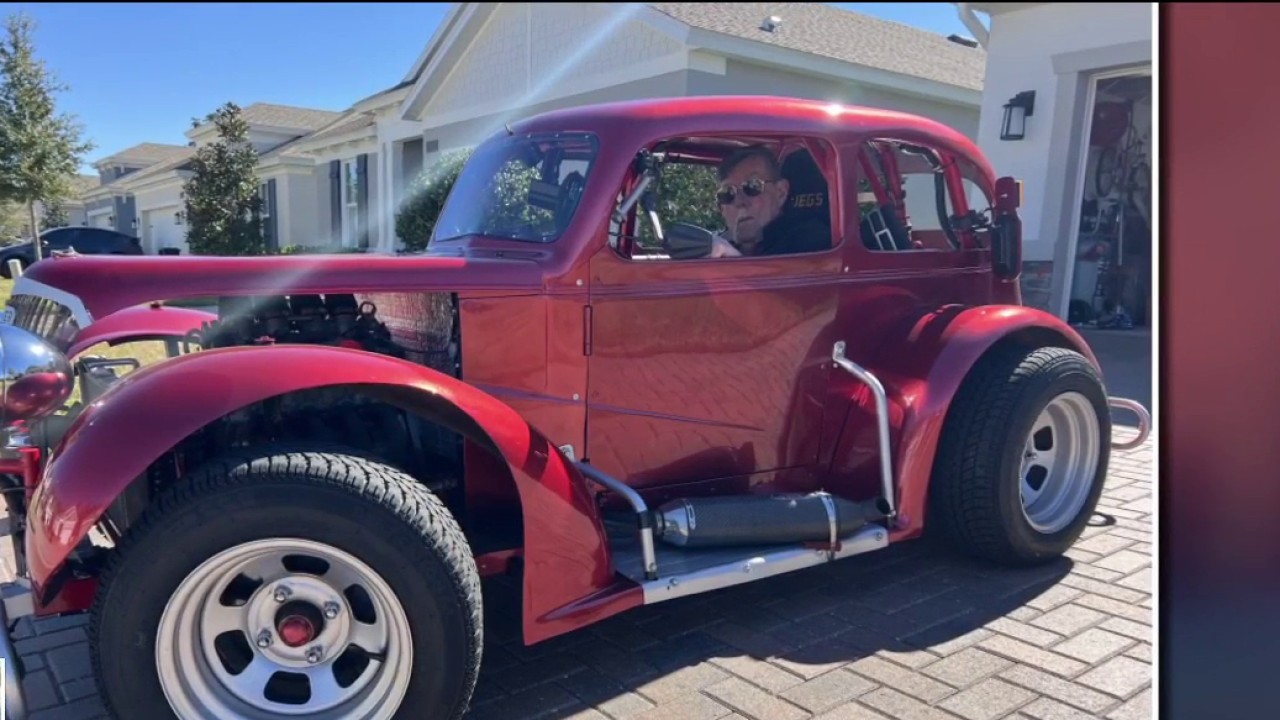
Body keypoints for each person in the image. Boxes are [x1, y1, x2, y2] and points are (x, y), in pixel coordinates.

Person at [707, 146, 831, 258]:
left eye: (752, 186)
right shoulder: (716, 246)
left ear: (780, 192)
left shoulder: (810, 243)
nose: (739, 202)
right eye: (727, 193)